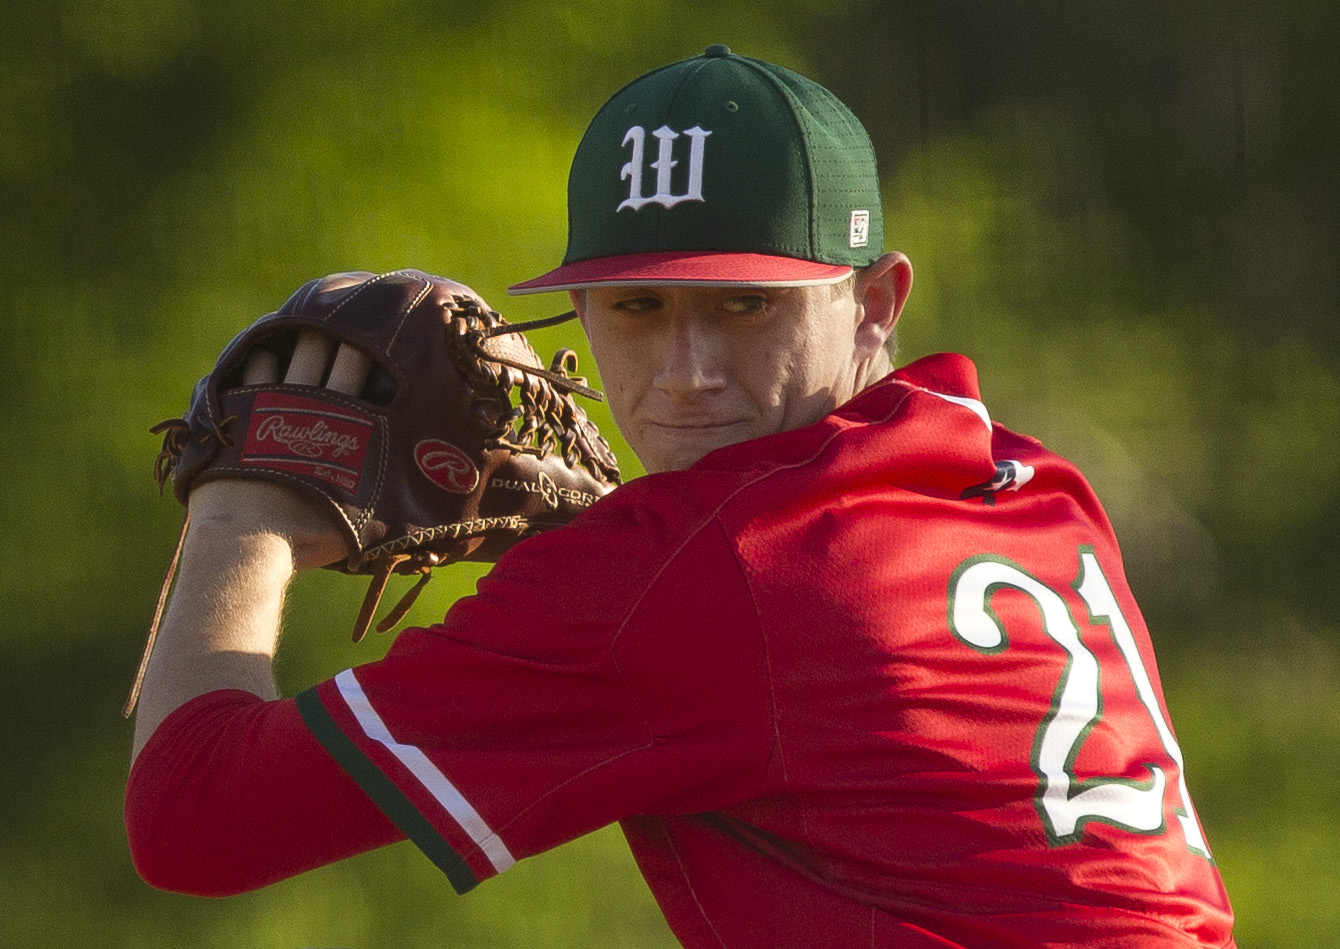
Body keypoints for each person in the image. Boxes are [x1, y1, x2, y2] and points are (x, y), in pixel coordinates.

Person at [126, 46, 1237, 947]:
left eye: (744, 307)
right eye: (636, 309)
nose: (685, 370)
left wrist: (239, 516)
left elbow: (193, 819)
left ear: (874, 302)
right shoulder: (1031, 486)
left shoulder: (689, 574)